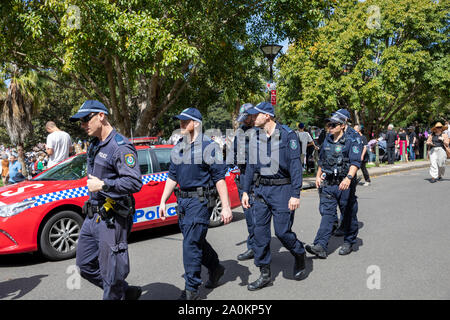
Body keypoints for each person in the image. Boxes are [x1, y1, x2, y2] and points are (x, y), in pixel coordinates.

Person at [70, 100, 143, 300]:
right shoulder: (94, 144)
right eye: (81, 121)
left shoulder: (120, 146)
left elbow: (134, 182)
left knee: (112, 274)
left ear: (101, 116)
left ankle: (116, 292)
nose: (83, 125)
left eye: (86, 119)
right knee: (84, 265)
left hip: (112, 218)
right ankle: (124, 292)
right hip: (92, 216)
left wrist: (104, 185)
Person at [159, 107, 233, 300]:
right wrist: (163, 200)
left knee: (190, 243)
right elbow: (172, 176)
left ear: (196, 123)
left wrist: (225, 206)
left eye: (185, 121)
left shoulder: (210, 147)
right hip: (182, 201)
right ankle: (216, 268)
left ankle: (191, 290)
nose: (181, 124)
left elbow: (219, 178)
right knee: (196, 240)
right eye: (180, 121)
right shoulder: (179, 146)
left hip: (200, 202)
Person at [241, 102, 306, 291]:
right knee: (260, 234)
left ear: (267, 116)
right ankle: (264, 273)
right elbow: (250, 167)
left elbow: (295, 166)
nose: (252, 118)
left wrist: (296, 194)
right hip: (261, 191)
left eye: (255, 115)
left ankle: (299, 253)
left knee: (282, 232)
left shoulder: (288, 136)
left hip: (282, 190)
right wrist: (246, 191)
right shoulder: (256, 137)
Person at [305, 110, 362, 259]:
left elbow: (356, 162)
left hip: (344, 183)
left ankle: (349, 241)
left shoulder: (352, 140)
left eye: (333, 124)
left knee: (348, 212)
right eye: (328, 124)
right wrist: (317, 176)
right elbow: (322, 161)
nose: (329, 127)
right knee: (327, 214)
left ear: (342, 125)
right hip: (329, 183)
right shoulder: (328, 140)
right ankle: (320, 245)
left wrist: (349, 178)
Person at [232, 103, 257, 261]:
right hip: (243, 177)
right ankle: (253, 247)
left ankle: (259, 247)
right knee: (249, 216)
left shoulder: (261, 132)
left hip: (257, 179)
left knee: (258, 217)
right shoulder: (240, 131)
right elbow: (234, 153)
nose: (244, 122)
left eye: (246, 118)